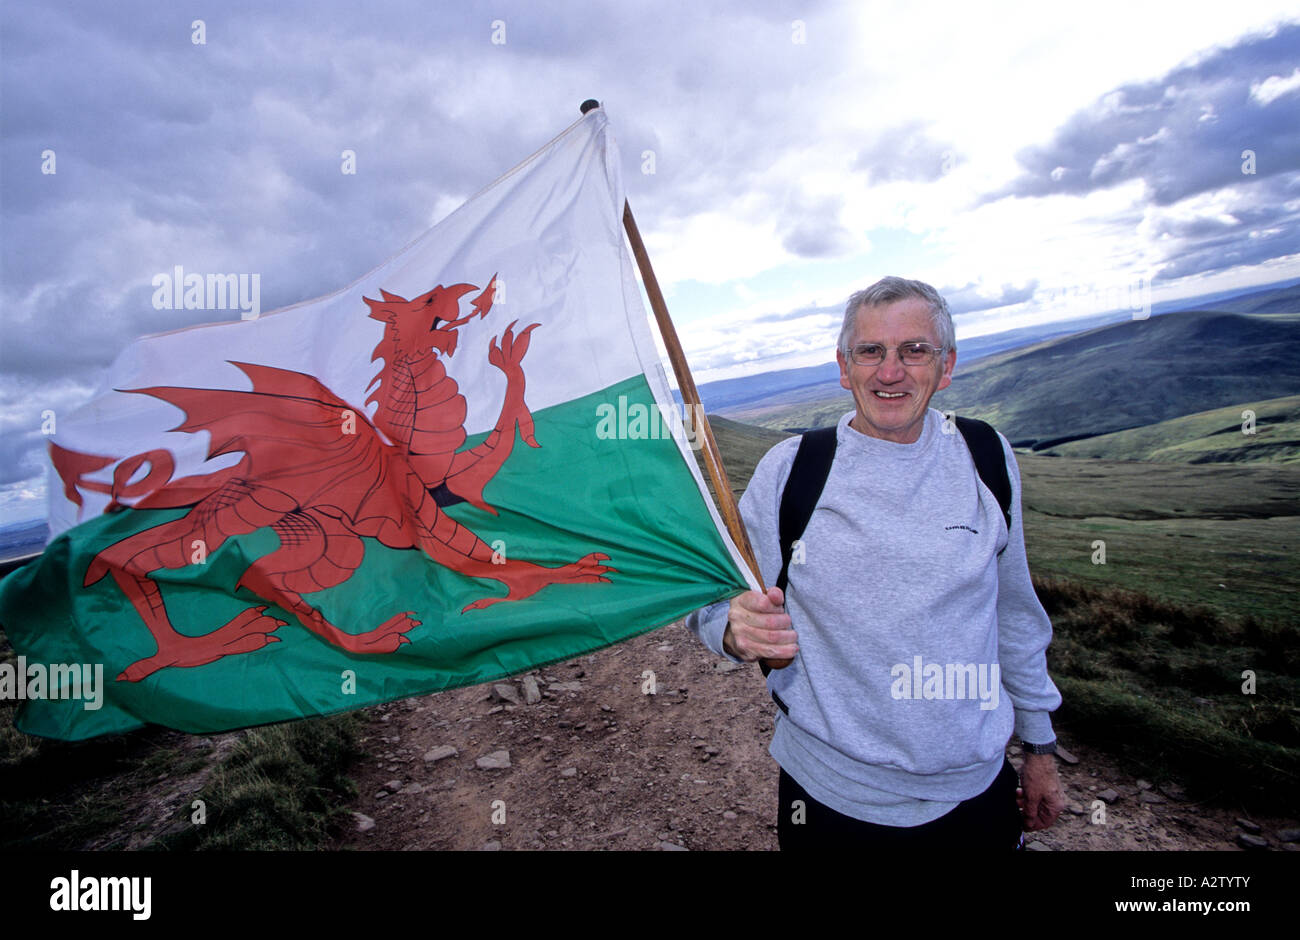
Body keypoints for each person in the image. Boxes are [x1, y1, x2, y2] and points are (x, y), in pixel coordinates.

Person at [685, 276, 1064, 849]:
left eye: (914, 350)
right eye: (871, 352)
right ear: (844, 367)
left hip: (976, 788)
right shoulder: (792, 471)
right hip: (832, 795)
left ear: (947, 365)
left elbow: (1014, 615)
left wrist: (1039, 749)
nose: (891, 372)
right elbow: (712, 602)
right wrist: (735, 632)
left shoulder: (987, 455)